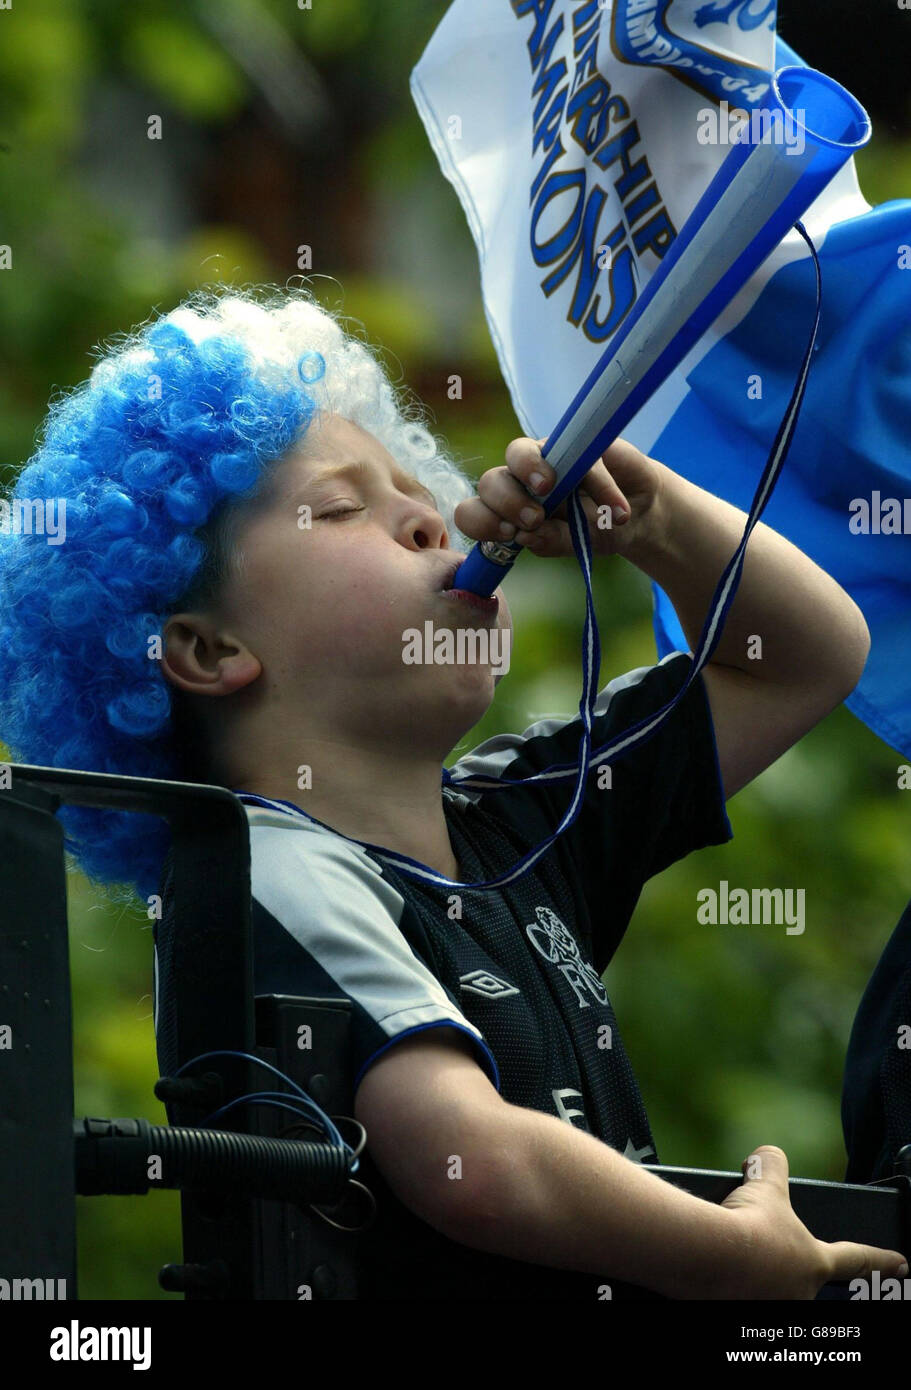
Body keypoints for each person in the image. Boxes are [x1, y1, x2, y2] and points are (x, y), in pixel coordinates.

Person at [1, 284, 905, 1299]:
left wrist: (647, 517)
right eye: (341, 507)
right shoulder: (267, 866)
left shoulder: (518, 817)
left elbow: (803, 657)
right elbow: (472, 1163)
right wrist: (726, 1253)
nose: (427, 519)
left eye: (414, 492)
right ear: (210, 650)